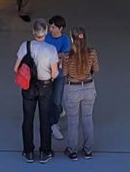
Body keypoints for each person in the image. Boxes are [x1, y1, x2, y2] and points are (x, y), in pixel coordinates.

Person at [14, 18, 60, 163]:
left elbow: (16, 68)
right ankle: (45, 152)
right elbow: (54, 73)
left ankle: (28, 151)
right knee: (45, 119)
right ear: (45, 32)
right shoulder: (51, 49)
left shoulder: (25, 46)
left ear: (33, 32)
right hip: (45, 87)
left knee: (27, 119)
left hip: (28, 87)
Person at [60, 25, 98, 159]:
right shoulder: (92, 53)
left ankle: (72, 150)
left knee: (72, 121)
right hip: (88, 86)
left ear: (72, 39)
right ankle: (88, 150)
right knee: (87, 119)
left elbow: (64, 73)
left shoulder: (66, 56)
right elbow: (96, 69)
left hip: (72, 88)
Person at [44, 15, 71, 143]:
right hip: (47, 75)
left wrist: (52, 55)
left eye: (53, 27)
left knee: (56, 100)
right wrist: (57, 56)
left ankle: (54, 122)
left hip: (59, 75)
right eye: (50, 26)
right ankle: (53, 122)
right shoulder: (46, 38)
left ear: (60, 28)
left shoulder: (65, 40)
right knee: (49, 100)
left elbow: (65, 55)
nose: (50, 29)